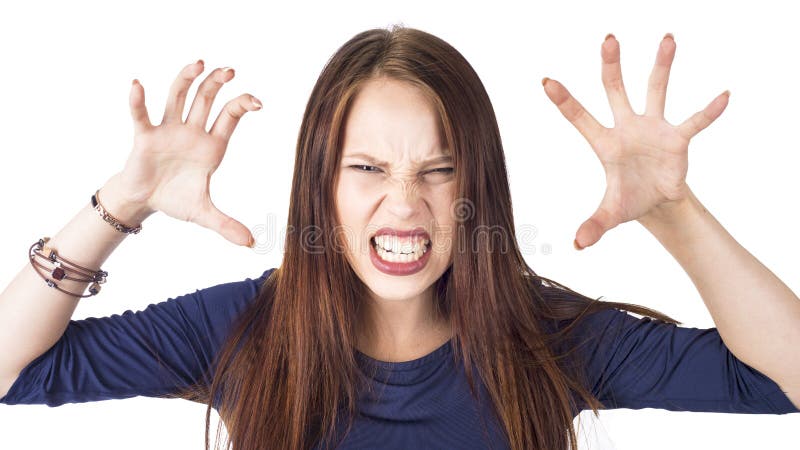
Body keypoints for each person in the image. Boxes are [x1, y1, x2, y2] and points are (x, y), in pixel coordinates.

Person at [0, 25, 797, 450]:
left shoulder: (547, 337)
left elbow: (788, 380)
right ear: (322, 183)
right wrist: (122, 202)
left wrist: (673, 212)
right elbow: (12, 370)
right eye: (369, 168)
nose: (404, 204)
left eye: (439, 169)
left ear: (476, 185)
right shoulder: (242, 332)